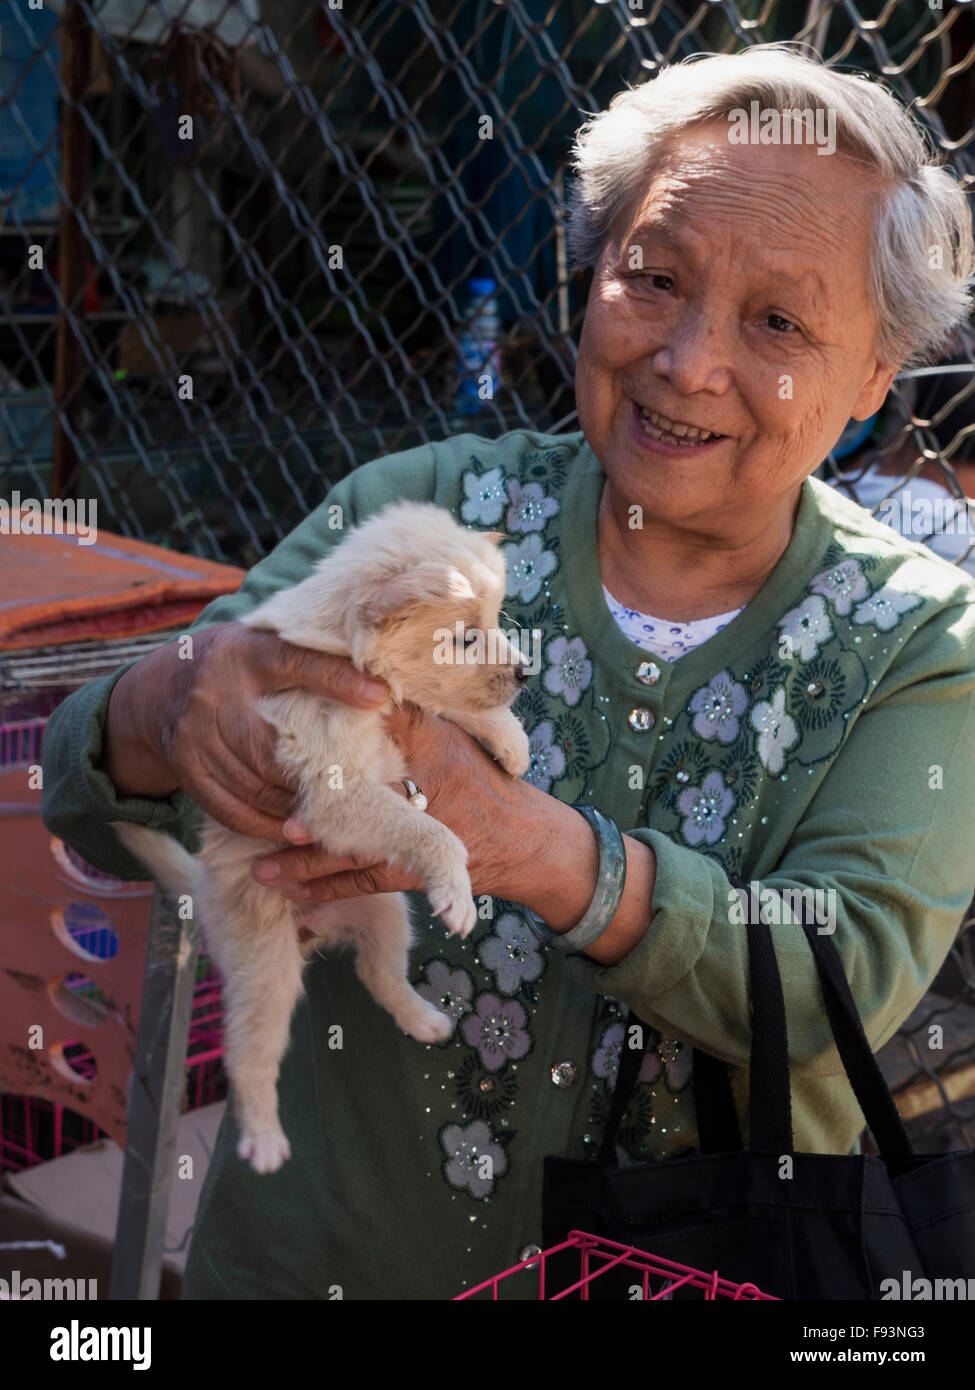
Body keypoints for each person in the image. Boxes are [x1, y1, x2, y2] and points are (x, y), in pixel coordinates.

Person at [41, 44, 975, 1299]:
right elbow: (85, 789)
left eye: (778, 321)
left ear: (874, 373)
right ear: (591, 280)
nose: (689, 361)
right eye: (653, 278)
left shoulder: (923, 642)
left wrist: (539, 849)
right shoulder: (427, 510)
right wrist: (172, 703)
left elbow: (843, 986)